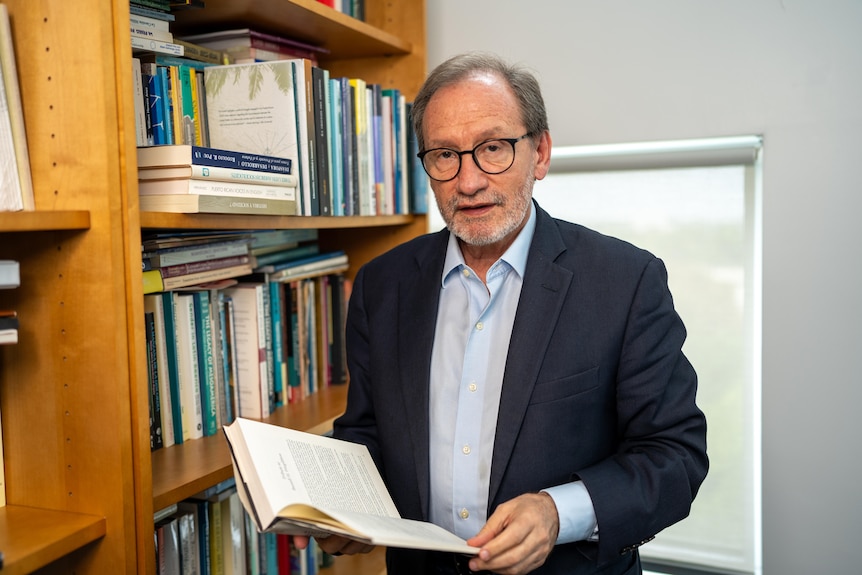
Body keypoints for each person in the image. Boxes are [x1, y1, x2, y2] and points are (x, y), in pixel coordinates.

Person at [300, 51, 708, 575]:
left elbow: (674, 458)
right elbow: (369, 435)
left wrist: (560, 512)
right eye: (445, 155)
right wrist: (340, 510)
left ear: (540, 153)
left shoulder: (625, 282)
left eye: (493, 148)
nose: (468, 181)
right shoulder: (383, 284)